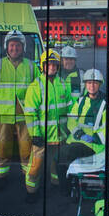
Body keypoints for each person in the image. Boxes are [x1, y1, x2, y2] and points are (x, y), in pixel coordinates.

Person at [54, 68, 109, 178]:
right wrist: (79, 134)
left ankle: (64, 191)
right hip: (77, 140)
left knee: (61, 155)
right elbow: (71, 121)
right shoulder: (81, 101)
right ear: (85, 84)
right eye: (89, 83)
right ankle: (67, 187)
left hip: (93, 145)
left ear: (100, 84)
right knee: (59, 157)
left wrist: (95, 138)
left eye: (95, 83)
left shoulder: (107, 104)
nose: (92, 86)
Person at [22, 49, 71, 195]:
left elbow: (70, 107)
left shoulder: (63, 84)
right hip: (41, 137)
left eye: (55, 65)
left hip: (59, 136)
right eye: (49, 64)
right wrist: (36, 134)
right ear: (43, 66)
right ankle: (31, 191)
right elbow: (30, 114)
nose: (52, 67)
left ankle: (55, 185)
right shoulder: (35, 86)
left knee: (56, 164)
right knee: (35, 166)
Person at [0, 28, 37, 181]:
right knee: (2, 150)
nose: (14, 48)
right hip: (4, 116)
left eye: (18, 45)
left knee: (26, 151)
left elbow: (39, 89)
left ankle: (27, 178)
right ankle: (2, 178)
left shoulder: (31, 66)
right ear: (6, 47)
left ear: (23, 47)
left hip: (25, 116)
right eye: (12, 45)